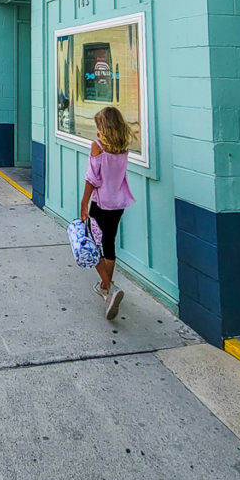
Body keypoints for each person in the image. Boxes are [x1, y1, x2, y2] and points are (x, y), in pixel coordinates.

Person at [80, 106, 135, 321]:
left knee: (90, 244)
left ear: (103, 127)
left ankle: (108, 288)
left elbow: (92, 179)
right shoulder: (122, 147)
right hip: (118, 202)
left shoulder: (98, 147)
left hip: (101, 203)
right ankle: (106, 290)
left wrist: (84, 203)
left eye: (98, 126)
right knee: (109, 243)